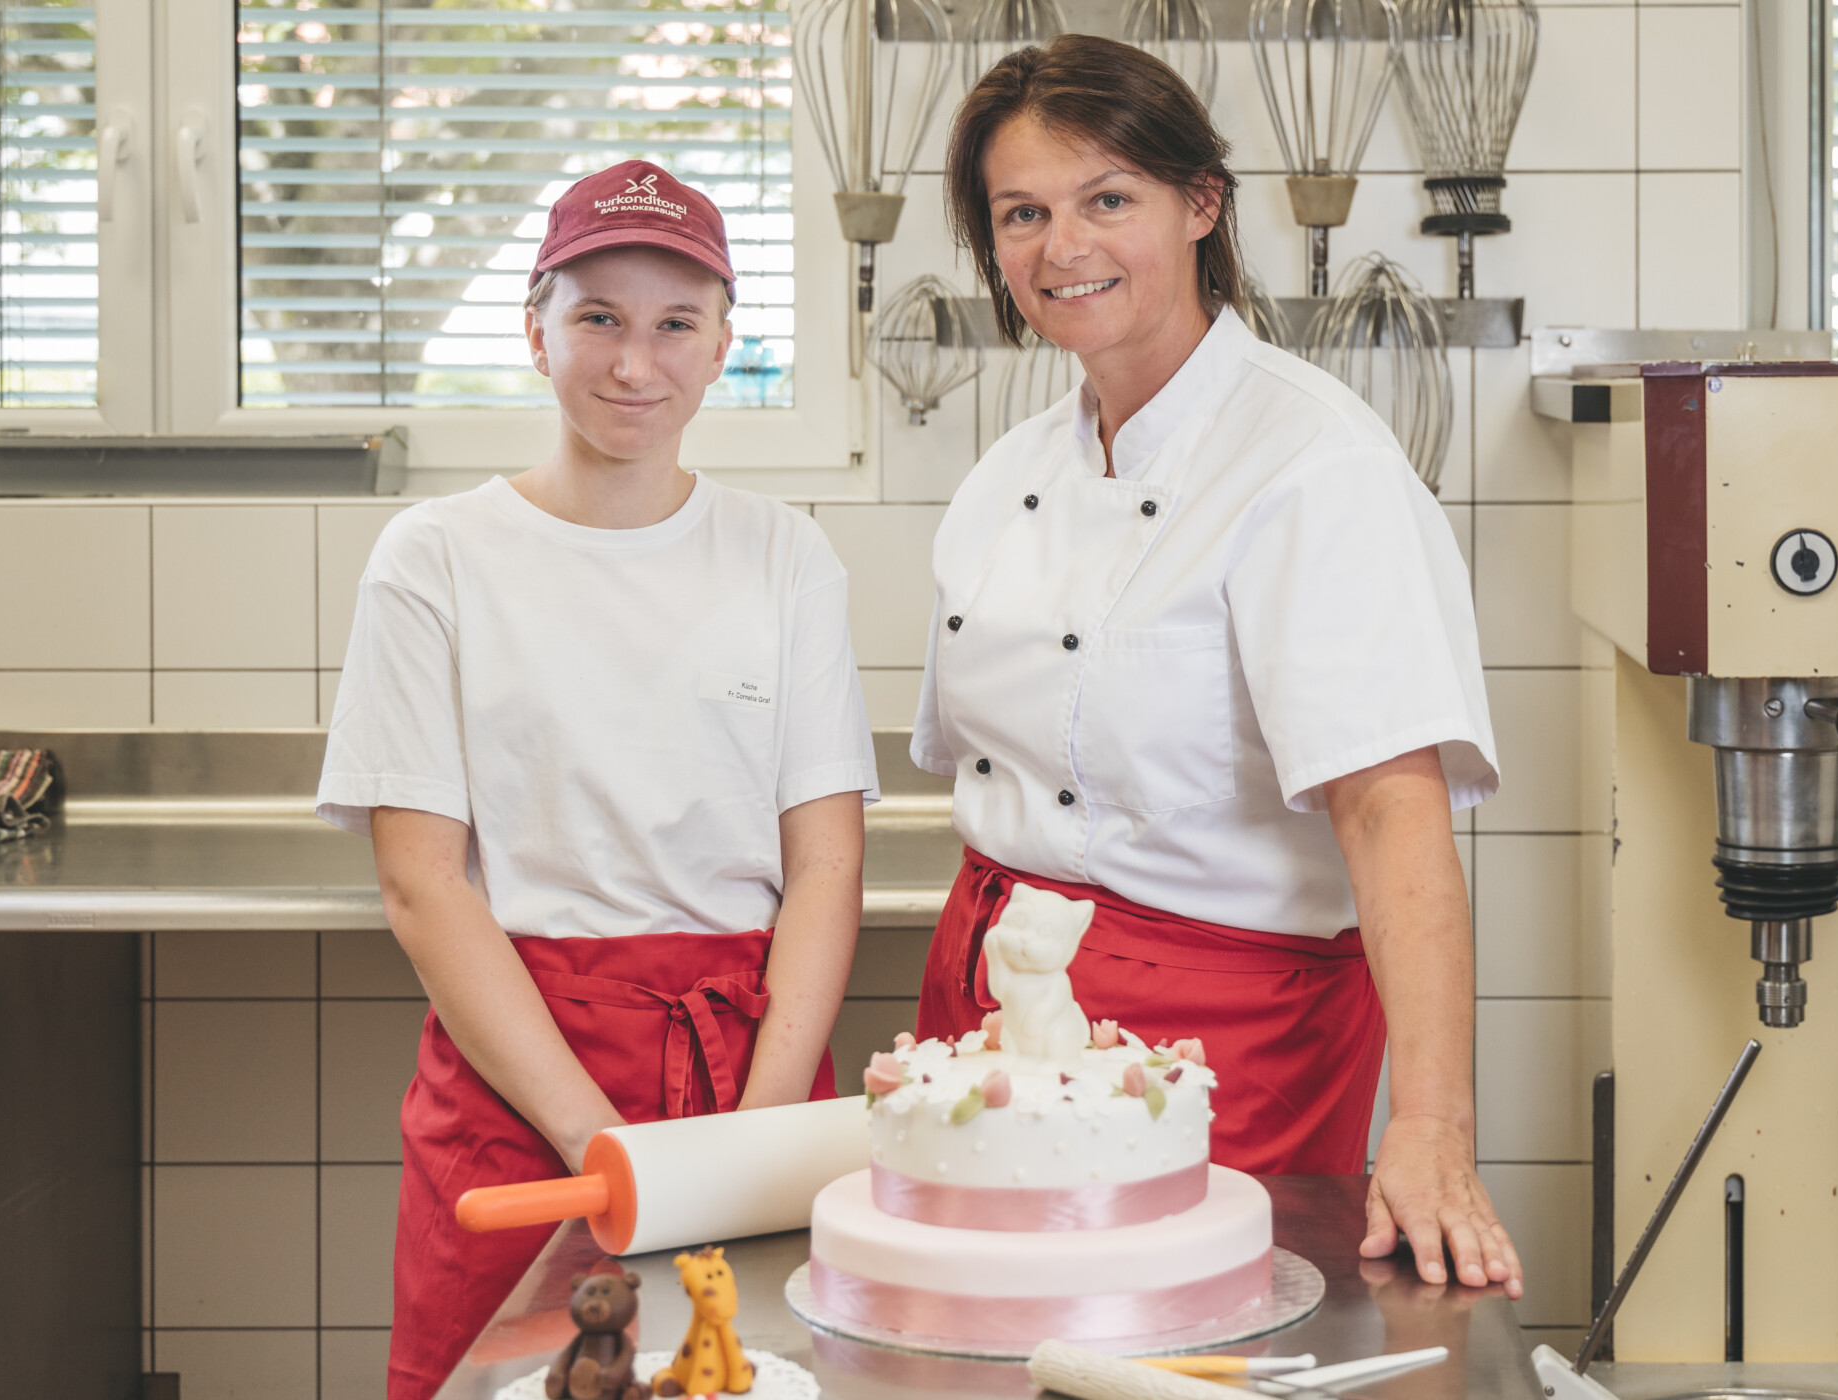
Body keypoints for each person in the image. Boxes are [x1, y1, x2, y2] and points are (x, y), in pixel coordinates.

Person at [912, 36, 1522, 1297]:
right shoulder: (1008, 474)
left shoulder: (1314, 464)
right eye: (1022, 213)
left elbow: (1389, 807)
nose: (1062, 247)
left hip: (1223, 1036)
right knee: (990, 1342)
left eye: (1107, 199)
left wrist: (1431, 1123)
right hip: (996, 1011)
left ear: (1201, 203)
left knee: (1189, 1347)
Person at [316, 160, 878, 1399]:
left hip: (746, 1065)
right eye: (598, 317)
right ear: (536, 332)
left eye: (676, 322)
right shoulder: (436, 556)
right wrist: (596, 1135)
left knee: (750, 1379)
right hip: (521, 1076)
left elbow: (826, 860)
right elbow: (423, 885)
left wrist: (751, 1140)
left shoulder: (784, 553)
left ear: (723, 343)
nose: (636, 362)